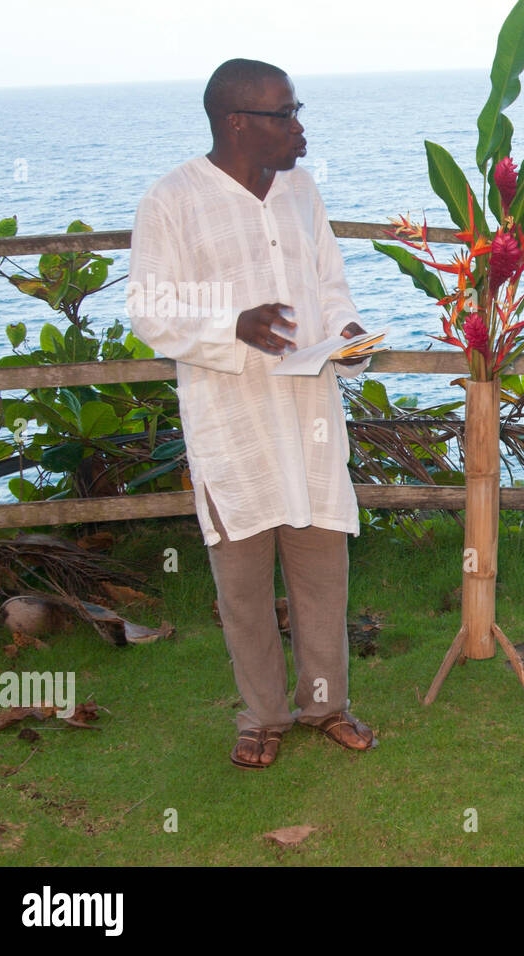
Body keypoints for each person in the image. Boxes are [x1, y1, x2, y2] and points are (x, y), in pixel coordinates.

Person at [128, 58, 377, 769]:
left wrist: (350, 334)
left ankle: (326, 704)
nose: (299, 128)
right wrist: (229, 325)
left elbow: (329, 283)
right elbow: (150, 311)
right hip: (231, 420)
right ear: (238, 122)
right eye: (284, 115)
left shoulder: (302, 191)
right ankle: (263, 717)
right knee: (242, 587)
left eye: (297, 112)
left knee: (322, 574)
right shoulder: (171, 200)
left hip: (310, 415)